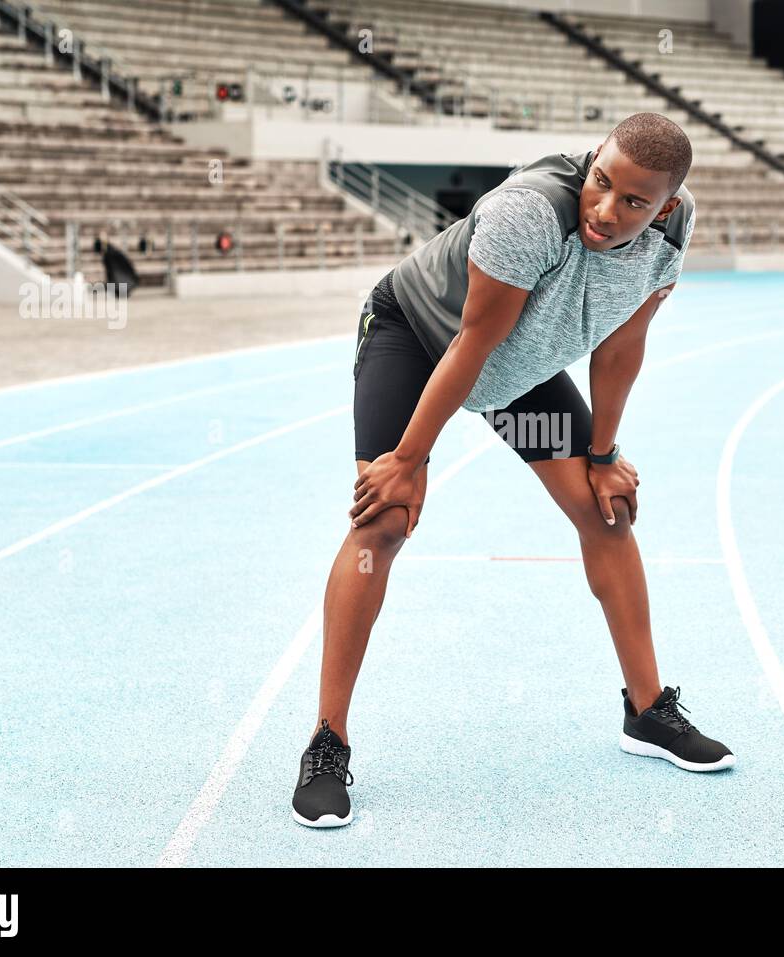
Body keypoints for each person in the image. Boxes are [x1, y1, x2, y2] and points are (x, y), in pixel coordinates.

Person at [292, 112, 735, 829]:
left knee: (605, 510)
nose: (605, 210)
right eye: (601, 184)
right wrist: (406, 462)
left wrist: (604, 455)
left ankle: (648, 711)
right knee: (385, 522)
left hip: (516, 368)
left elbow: (623, 346)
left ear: (668, 206)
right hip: (421, 338)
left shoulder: (671, 236)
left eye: (633, 202)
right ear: (592, 159)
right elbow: (472, 340)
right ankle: (326, 742)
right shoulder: (528, 214)